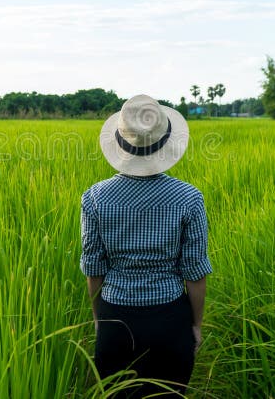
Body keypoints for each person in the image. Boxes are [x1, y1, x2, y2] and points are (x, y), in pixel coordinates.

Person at [80, 94, 212, 397]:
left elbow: (94, 270)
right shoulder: (189, 198)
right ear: (164, 143)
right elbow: (195, 273)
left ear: (121, 142)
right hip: (170, 321)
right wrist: (196, 325)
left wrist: (99, 321)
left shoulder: (95, 197)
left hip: (116, 319)